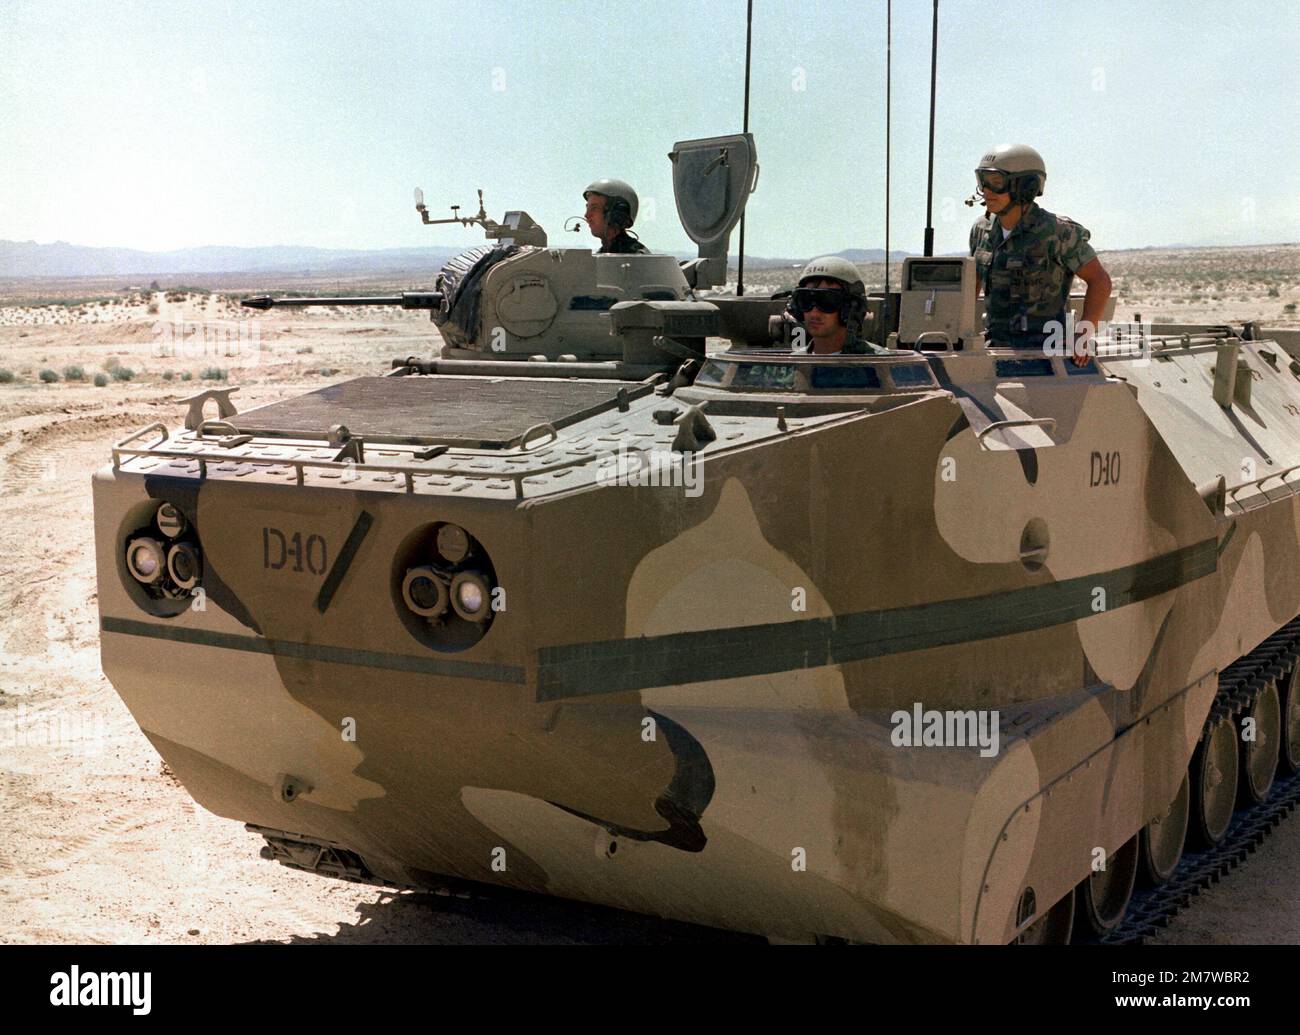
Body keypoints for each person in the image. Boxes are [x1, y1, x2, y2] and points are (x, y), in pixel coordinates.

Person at [968, 144, 1111, 366]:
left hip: (1046, 356)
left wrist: (1082, 337)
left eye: (996, 183)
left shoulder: (1057, 232)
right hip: (996, 352)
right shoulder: (982, 230)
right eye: (983, 181)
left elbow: (1100, 280)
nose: (986, 191)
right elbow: (972, 284)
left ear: (1025, 186)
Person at [788, 256, 890, 355]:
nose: (814, 313)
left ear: (850, 309)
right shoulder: (792, 366)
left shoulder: (878, 365)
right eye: (806, 300)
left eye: (826, 301)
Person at [583, 178, 649, 254]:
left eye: (594, 208)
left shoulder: (639, 259)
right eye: (587, 208)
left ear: (616, 214)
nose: (586, 215)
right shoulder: (601, 256)